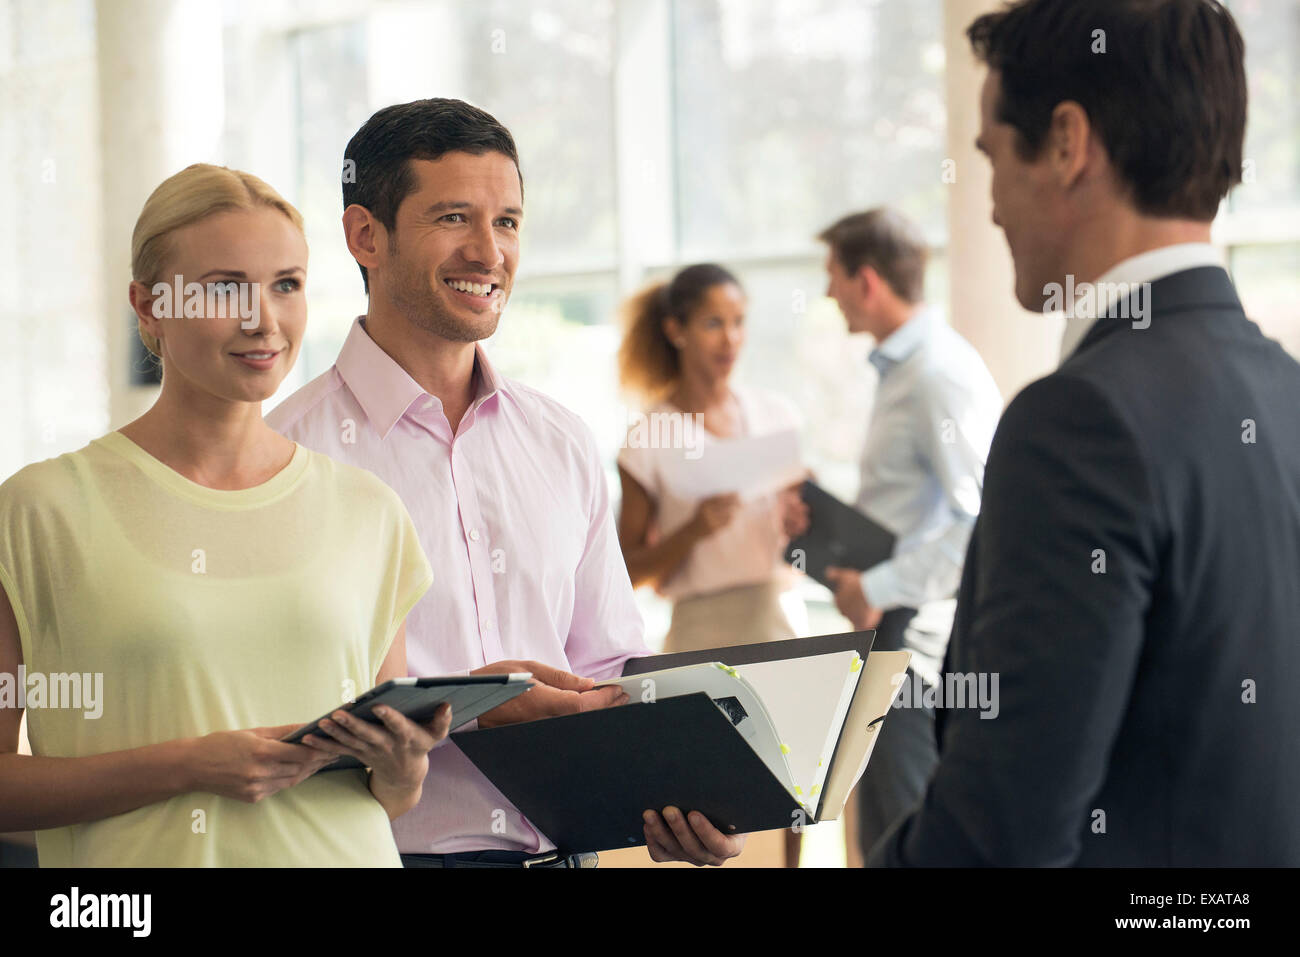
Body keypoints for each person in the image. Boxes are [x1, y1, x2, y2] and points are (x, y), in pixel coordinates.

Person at [871, 0, 1300, 866]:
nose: (989, 204)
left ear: (1067, 143)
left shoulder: (1079, 423)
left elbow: (1001, 834)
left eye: (991, 156)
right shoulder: (1283, 388)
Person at [267, 99, 746, 867]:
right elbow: (268, 713)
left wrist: (681, 785)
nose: (489, 252)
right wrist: (474, 707)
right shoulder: (282, 455)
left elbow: (609, 669)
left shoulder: (560, 441)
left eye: (509, 222)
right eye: (454, 217)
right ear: (367, 236)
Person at [0, 164, 447, 867]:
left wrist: (402, 766)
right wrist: (190, 765)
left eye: (286, 284)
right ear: (149, 307)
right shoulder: (41, 508)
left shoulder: (368, 510)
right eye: (224, 287)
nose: (263, 319)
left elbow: (387, 798)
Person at [803, 207, 1001, 863]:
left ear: (867, 280)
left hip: (913, 642)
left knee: (902, 827)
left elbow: (984, 520)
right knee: (880, 825)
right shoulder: (905, 371)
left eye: (833, 276)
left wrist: (878, 587)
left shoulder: (937, 373)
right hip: (890, 624)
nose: (828, 293)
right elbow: (910, 512)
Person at [615, 263, 807, 867]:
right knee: (706, 808)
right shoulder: (648, 438)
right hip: (700, 634)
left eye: (740, 323)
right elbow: (625, 573)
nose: (731, 340)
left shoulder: (775, 415)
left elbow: (810, 538)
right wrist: (694, 529)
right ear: (675, 329)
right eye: (713, 324)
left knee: (794, 788)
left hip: (778, 619)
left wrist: (803, 524)